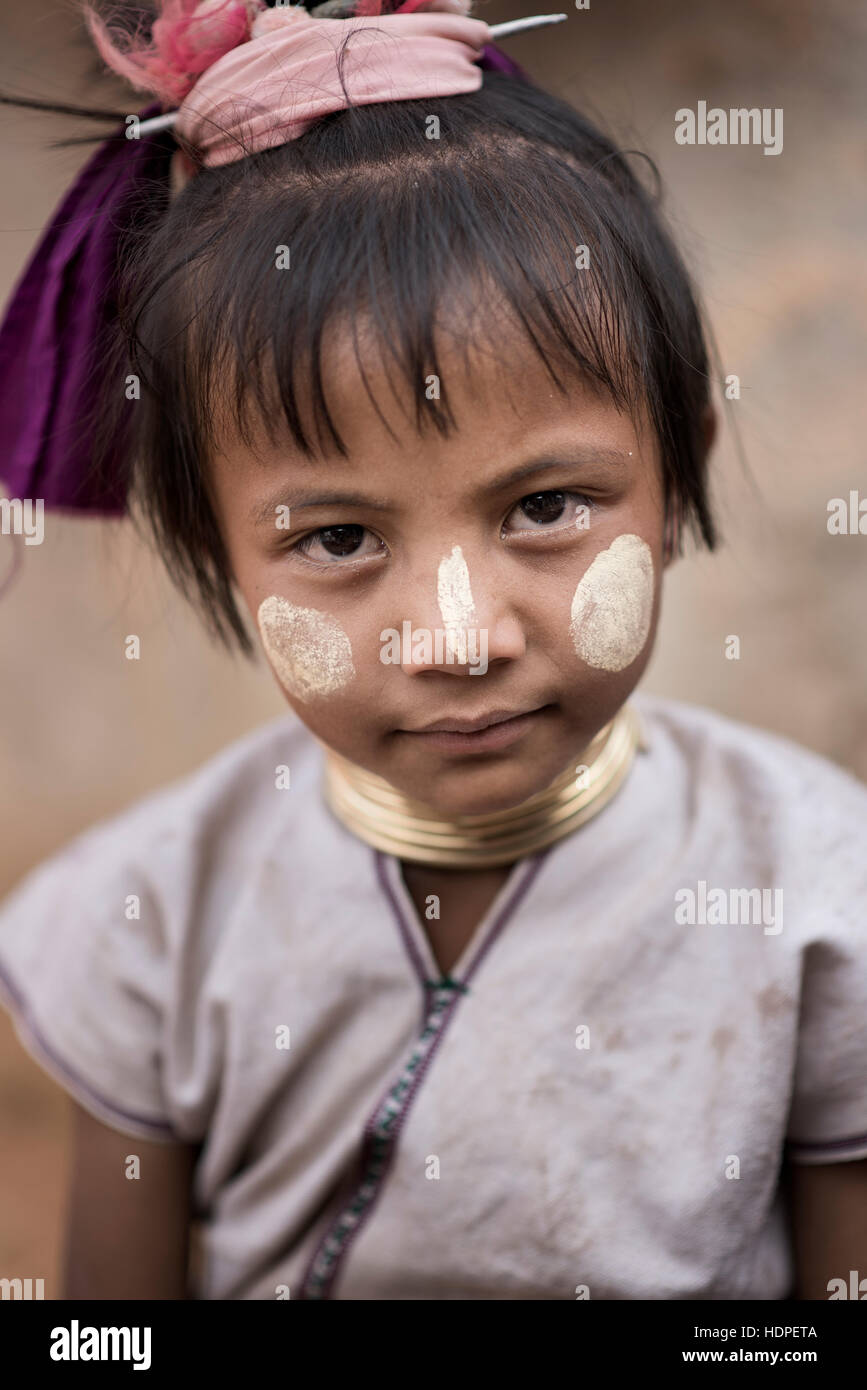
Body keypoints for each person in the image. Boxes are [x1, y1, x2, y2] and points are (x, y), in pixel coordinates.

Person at [0, 0, 864, 1302]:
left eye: (545, 509)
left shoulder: (820, 895)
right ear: (209, 539)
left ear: (676, 474)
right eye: (339, 536)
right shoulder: (150, 921)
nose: (458, 636)